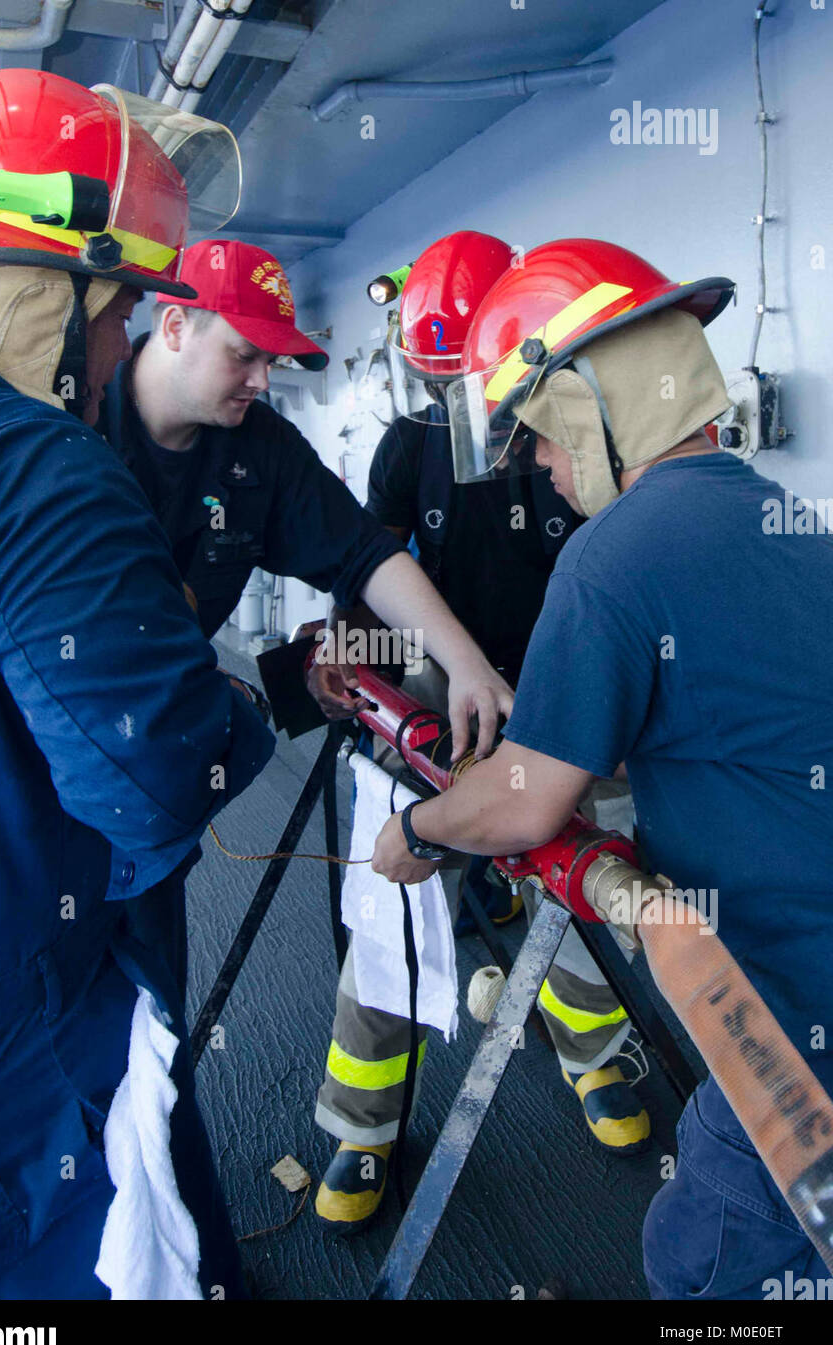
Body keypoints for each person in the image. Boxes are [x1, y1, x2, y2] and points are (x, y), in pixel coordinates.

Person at [370, 236, 833, 1299]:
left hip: (789, 1017)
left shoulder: (617, 550)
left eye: (539, 434)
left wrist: (422, 829)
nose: (536, 462)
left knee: (697, 1261)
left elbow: (525, 804)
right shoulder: (782, 516)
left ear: (588, 405)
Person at [0, 69, 276, 1299]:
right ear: (42, 282)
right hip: (11, 1041)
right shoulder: (27, 460)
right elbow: (159, 782)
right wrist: (241, 702)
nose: (115, 346)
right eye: (115, 311)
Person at [309, 232, 645, 1238]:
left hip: (565, 691)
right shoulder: (410, 444)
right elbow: (367, 562)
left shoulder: (578, 439)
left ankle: (592, 1052)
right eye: (434, 379)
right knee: (388, 906)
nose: (463, 414)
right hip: (439, 690)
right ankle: (363, 1122)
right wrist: (355, 665)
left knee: (596, 875)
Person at [99, 236, 515, 1000]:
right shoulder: (71, 427)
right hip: (48, 762)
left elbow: (365, 558)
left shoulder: (261, 449)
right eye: (246, 355)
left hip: (162, 775)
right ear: (175, 324)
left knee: (148, 999)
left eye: (272, 362)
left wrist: (464, 667)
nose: (262, 381)